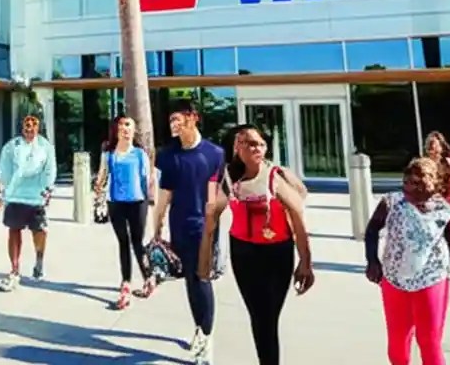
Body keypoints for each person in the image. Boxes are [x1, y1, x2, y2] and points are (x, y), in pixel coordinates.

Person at [204, 125, 314, 365]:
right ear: (236, 148)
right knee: (259, 315)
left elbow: (297, 217)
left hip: (277, 253)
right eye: (248, 143)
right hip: (243, 253)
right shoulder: (225, 176)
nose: (256, 148)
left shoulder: (275, 176)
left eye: (260, 143)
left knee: (268, 317)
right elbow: (211, 212)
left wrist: (306, 261)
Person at [365, 157, 450, 365]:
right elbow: (372, 229)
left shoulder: (443, 212)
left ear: (434, 183)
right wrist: (372, 260)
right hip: (395, 281)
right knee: (398, 345)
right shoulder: (391, 202)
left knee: (429, 342)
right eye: (407, 182)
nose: (411, 187)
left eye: (418, 182)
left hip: (431, 281)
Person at [153, 100, 225, 365]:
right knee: (191, 282)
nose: (173, 125)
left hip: (203, 229)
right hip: (179, 227)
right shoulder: (169, 155)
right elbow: (164, 196)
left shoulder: (215, 154)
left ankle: (207, 338)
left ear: (193, 117)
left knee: (202, 281)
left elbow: (217, 193)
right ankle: (199, 328)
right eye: (170, 120)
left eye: (177, 119)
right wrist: (156, 230)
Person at [94, 115, 157, 309]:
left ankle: (148, 277)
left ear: (134, 129)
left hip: (138, 202)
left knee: (137, 242)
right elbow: (102, 177)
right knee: (123, 242)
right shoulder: (108, 154)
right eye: (121, 125)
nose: (125, 128)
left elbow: (148, 178)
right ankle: (126, 283)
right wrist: (98, 192)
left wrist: (152, 201)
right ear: (116, 130)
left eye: (128, 125)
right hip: (116, 203)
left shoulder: (140, 154)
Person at [0, 114, 57, 291]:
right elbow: (4, 169)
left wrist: (48, 188)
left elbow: (50, 169)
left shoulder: (46, 147)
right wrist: (3, 190)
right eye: (26, 125)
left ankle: (39, 259)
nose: (29, 128)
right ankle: (14, 269)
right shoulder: (11, 147)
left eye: (33, 125)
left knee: (39, 231)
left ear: (39, 127)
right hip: (15, 196)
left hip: (36, 196)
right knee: (14, 230)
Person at [423, 131, 450, 209]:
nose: (431, 150)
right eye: (429, 146)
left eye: (434, 146)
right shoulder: (425, 163)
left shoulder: (447, 163)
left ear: (441, 148)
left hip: (447, 199)